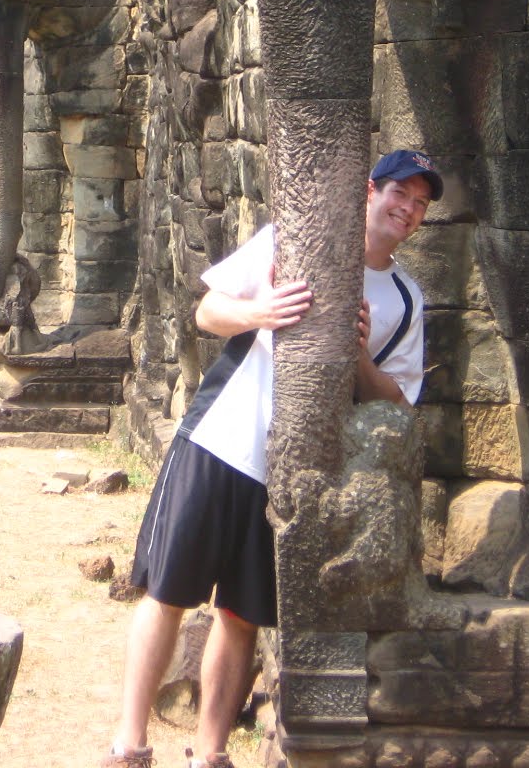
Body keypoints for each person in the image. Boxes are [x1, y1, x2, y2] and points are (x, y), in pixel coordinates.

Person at [101, 149, 443, 768]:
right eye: (402, 194)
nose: (409, 210)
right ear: (370, 190)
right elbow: (208, 312)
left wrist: (359, 354)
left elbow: (400, 400)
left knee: (241, 616)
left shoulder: (406, 298)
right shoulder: (291, 241)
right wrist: (263, 312)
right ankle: (129, 744)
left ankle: (210, 753)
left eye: (421, 204)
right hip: (221, 439)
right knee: (168, 592)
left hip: (295, 473)